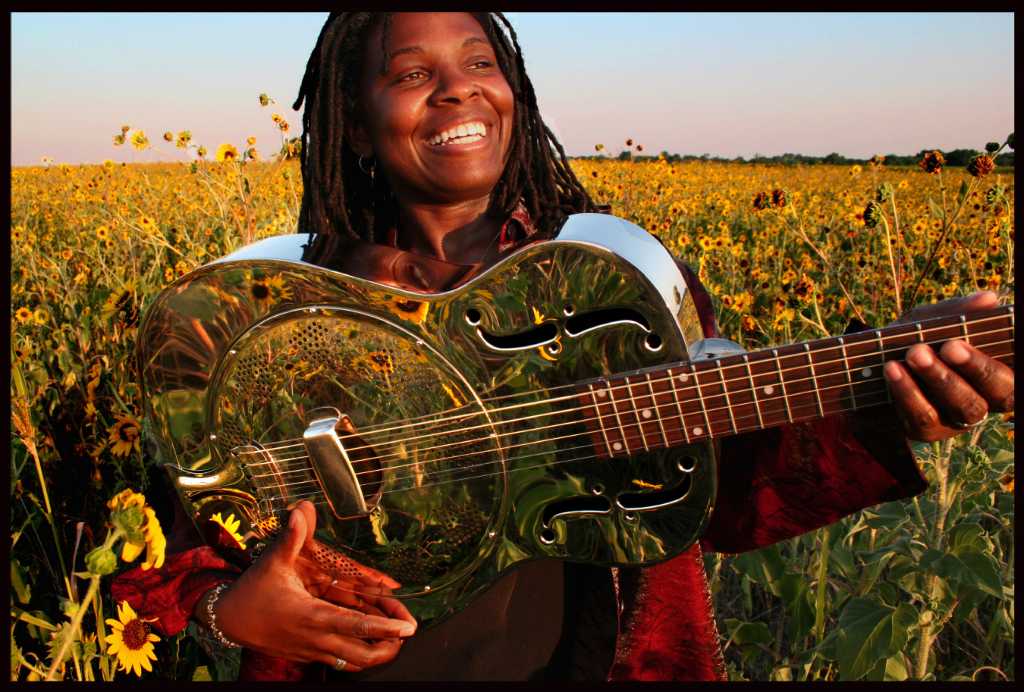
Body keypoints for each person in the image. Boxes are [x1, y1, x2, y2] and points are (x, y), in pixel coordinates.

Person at [112, 12, 1014, 681]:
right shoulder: (280, 312)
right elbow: (182, 531)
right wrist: (232, 614)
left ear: (515, 92)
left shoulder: (604, 289)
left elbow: (724, 500)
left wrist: (880, 400)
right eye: (410, 71)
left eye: (480, 61)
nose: (458, 86)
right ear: (352, 115)